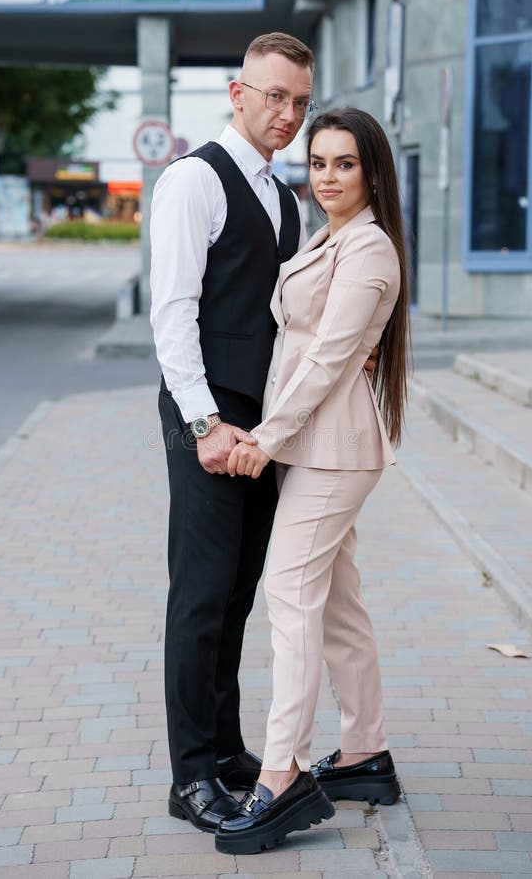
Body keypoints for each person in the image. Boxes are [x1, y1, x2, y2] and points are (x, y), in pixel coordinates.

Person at [150, 33, 380, 834]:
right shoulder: (193, 180)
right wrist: (205, 421)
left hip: (269, 432)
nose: (287, 115)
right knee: (202, 598)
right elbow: (172, 312)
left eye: (299, 102)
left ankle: (226, 749)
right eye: (274, 96)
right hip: (211, 425)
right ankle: (190, 776)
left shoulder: (286, 200)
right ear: (237, 91)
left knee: (241, 595)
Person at [214, 108, 409, 855]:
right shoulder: (330, 236)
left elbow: (329, 358)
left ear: (372, 172)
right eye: (319, 163)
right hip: (319, 445)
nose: (326, 177)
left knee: (290, 598)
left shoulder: (370, 252)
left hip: (331, 451)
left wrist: (265, 439)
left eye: (344, 164)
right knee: (337, 606)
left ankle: (283, 772)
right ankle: (365, 753)